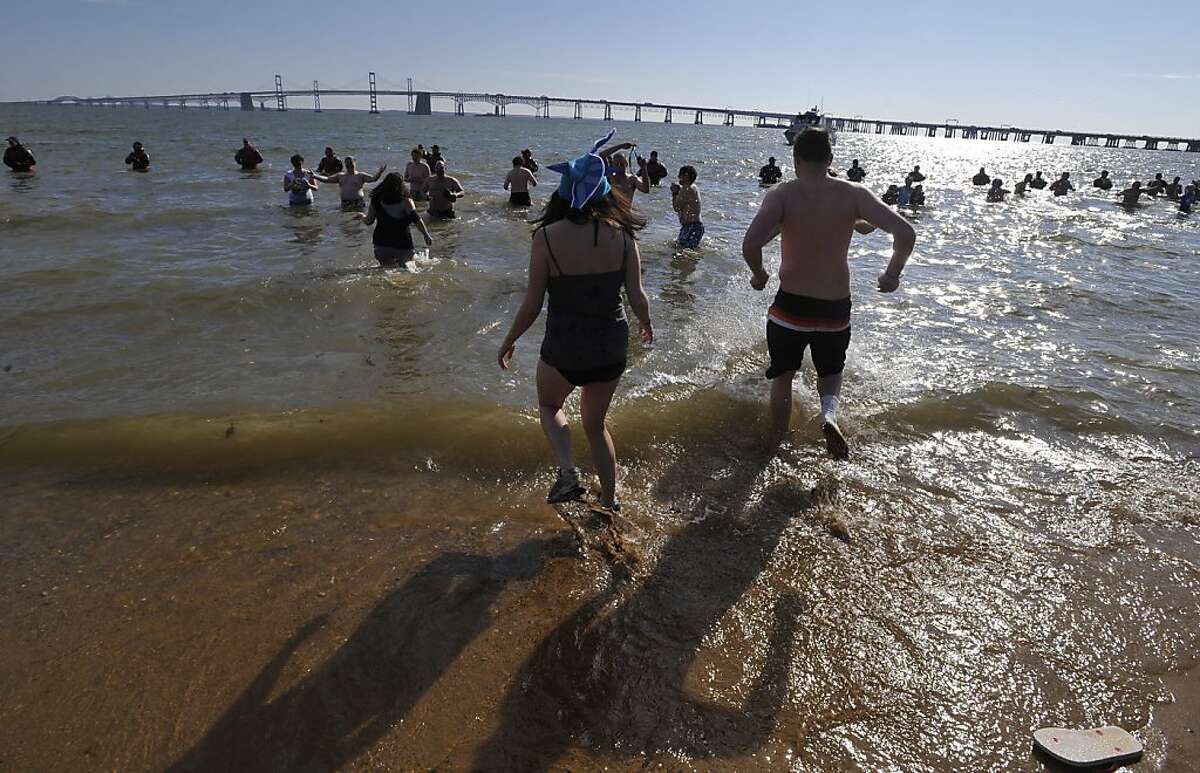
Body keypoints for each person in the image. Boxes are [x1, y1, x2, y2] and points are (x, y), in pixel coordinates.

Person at [496, 130, 652, 509]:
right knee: (596, 426)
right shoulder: (623, 237)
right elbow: (637, 296)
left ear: (564, 192)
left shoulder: (547, 238)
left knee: (550, 407)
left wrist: (509, 340)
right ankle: (611, 502)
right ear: (602, 192)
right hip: (610, 343)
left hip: (565, 345)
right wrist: (647, 324)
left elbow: (533, 304)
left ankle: (568, 472)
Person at [741, 127, 915, 459]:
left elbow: (750, 243)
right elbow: (905, 232)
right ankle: (829, 415)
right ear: (831, 159)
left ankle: (776, 442)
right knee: (831, 374)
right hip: (834, 309)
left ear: (795, 159)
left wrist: (759, 274)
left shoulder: (781, 194)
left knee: (783, 376)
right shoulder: (854, 193)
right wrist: (892, 275)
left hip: (790, 306)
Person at [355, 173, 433, 266]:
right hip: (402, 244)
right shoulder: (406, 202)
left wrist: (362, 216)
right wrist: (426, 235)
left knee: (387, 271)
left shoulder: (376, 200)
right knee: (406, 272)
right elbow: (416, 220)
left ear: (384, 184)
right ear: (401, 186)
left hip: (381, 244)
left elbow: (369, 221)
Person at [315, 156, 386, 208]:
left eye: (351, 163)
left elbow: (373, 179)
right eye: (347, 163)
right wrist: (315, 176)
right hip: (345, 203)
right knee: (346, 224)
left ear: (355, 163)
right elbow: (327, 179)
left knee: (358, 224)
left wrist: (380, 172)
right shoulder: (340, 176)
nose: (349, 165)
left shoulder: (361, 175)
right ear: (345, 165)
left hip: (358, 203)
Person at [671, 165, 704, 248]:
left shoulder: (686, 189)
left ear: (686, 176)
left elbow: (677, 207)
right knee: (686, 251)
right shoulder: (694, 187)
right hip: (696, 226)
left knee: (681, 250)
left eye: (680, 175)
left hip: (691, 227)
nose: (678, 177)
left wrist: (674, 193)